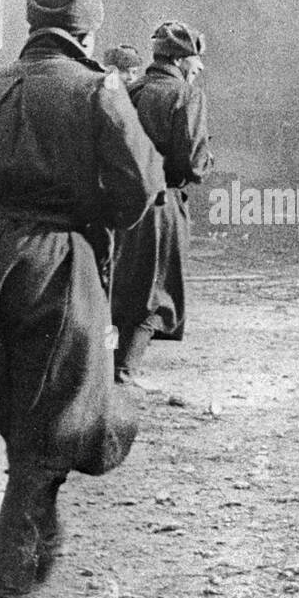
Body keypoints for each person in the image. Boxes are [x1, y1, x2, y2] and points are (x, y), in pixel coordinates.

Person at [0, 0, 164, 598]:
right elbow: (140, 191)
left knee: (23, 416)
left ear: (32, 26)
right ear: (88, 31)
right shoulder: (98, 90)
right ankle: (6, 594)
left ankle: (36, 547)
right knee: (52, 424)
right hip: (52, 263)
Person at [110, 21, 213, 388]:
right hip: (163, 204)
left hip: (125, 205)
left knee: (124, 285)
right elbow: (192, 163)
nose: (199, 67)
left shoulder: (130, 91)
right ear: (181, 60)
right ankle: (124, 370)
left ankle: (112, 365)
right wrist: (205, 162)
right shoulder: (186, 96)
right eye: (195, 59)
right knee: (157, 289)